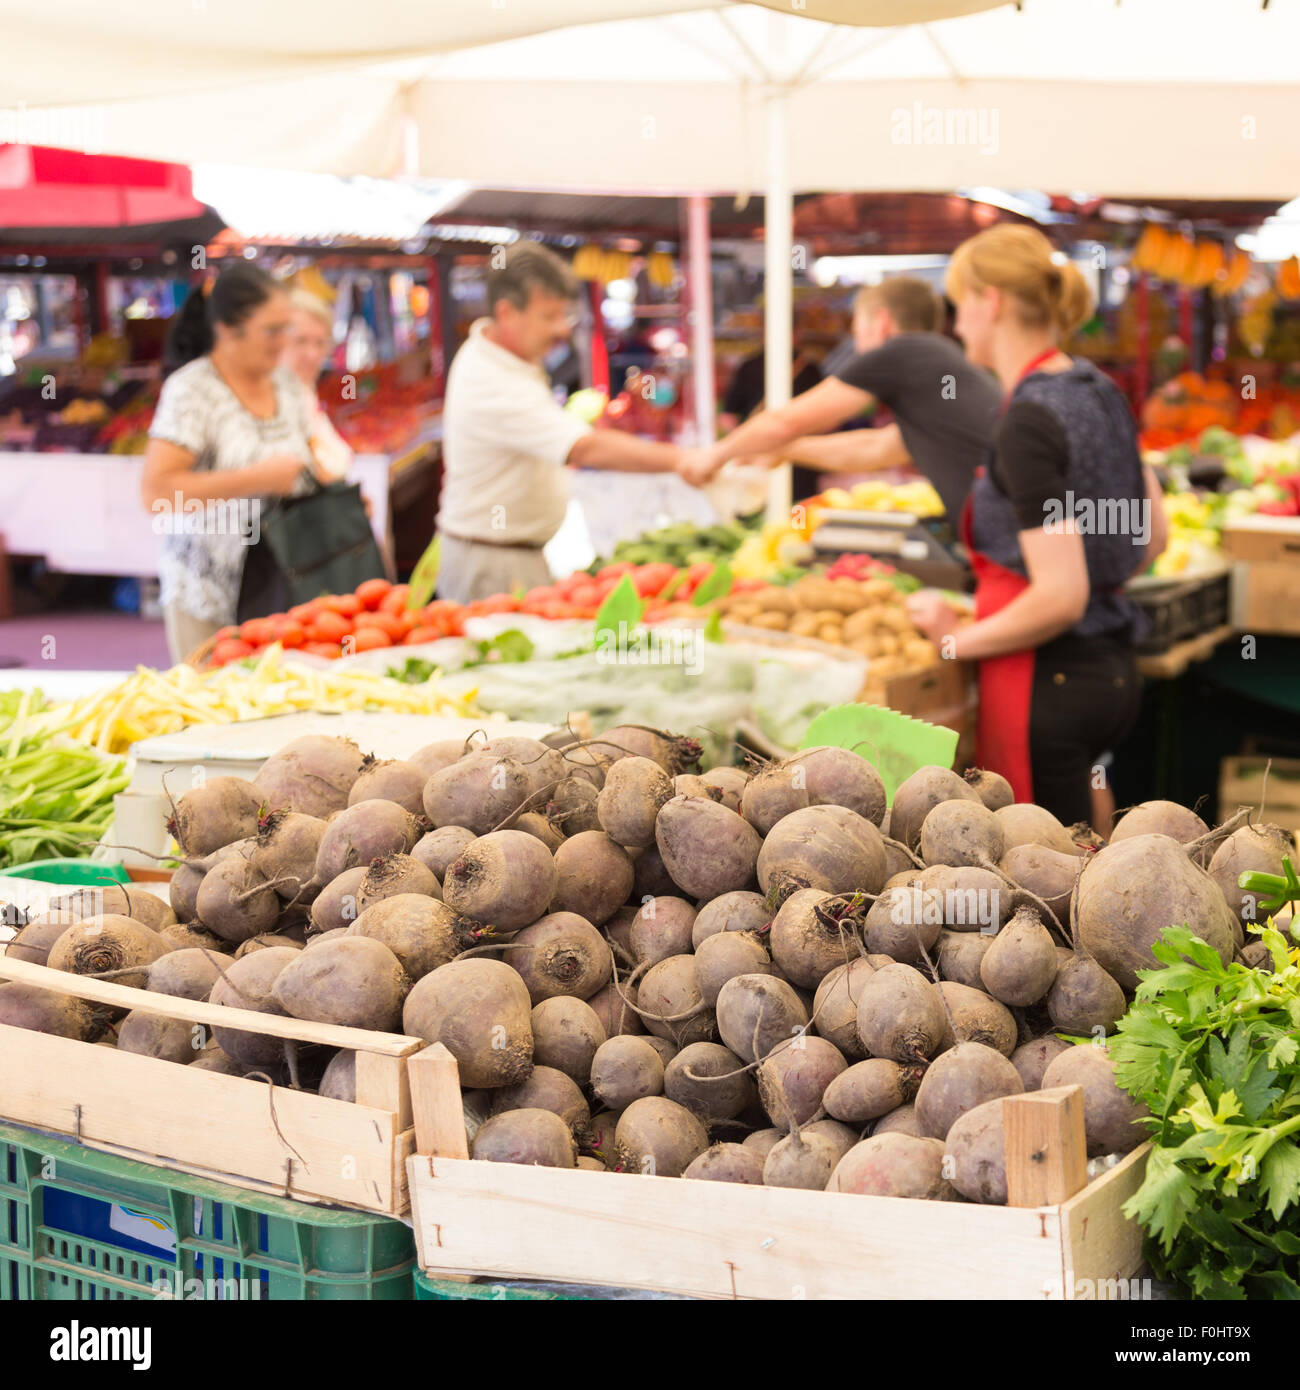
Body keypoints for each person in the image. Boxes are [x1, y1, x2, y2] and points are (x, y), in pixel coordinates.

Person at [902, 224, 1166, 825]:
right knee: (1088, 855)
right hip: (1112, 667)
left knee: (1041, 879)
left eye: (959, 304)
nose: (957, 323)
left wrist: (952, 639)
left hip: (1046, 681)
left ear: (989, 301)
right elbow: (1153, 536)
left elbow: (1061, 595)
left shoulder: (1028, 419)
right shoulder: (1101, 391)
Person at [437, 242, 691, 604]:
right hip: (491, 563)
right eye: (548, 316)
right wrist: (684, 461)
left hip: (510, 553)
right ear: (507, 312)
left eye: (563, 316)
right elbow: (583, 447)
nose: (561, 329)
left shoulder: (507, 357)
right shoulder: (491, 378)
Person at [679, 277, 1000, 524]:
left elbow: (784, 421)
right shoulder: (934, 360)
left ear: (881, 323)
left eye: (856, 326)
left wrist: (715, 455)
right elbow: (878, 448)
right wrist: (784, 451)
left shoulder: (902, 351)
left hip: (1010, 525)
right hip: (1018, 521)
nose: (856, 340)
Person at [143, 263, 321, 664]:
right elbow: (156, 494)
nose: (282, 342)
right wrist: (255, 479)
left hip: (283, 586)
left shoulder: (287, 384)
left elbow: (304, 462)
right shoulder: (192, 390)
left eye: (285, 328)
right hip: (209, 597)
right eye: (271, 330)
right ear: (227, 329)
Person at [281, 289, 353, 480]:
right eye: (300, 341)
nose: (312, 354)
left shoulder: (304, 393)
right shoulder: (266, 405)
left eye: (320, 343)